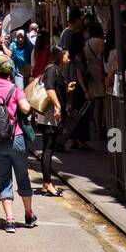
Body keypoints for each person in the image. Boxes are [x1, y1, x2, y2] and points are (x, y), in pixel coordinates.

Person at [0, 53, 37, 233]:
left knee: (4, 179)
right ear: (10, 72)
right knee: (23, 176)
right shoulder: (15, 89)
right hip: (17, 138)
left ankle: (10, 219)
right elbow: (26, 108)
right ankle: (28, 214)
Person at [39, 45, 72, 197]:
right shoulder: (52, 69)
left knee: (49, 148)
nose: (68, 59)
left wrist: (67, 89)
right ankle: (47, 183)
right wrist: (58, 106)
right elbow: (49, 88)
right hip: (50, 115)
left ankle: (47, 183)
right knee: (48, 148)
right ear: (60, 55)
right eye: (67, 55)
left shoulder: (55, 69)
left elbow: (55, 89)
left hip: (53, 114)